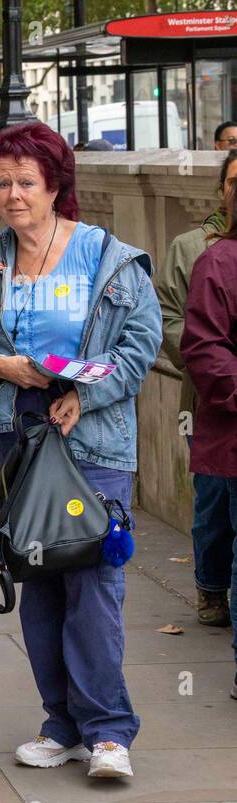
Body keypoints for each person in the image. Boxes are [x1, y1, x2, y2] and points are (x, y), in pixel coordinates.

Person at [0, 121, 161, 779]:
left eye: (26, 182)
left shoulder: (105, 258)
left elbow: (141, 344)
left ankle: (107, 733)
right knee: (37, 582)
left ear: (55, 185)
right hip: (21, 441)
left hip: (90, 438)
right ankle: (60, 725)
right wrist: (4, 369)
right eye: (3, 183)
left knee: (93, 581)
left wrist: (83, 395)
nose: (13, 195)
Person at [158, 152, 237, 628]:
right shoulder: (193, 247)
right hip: (205, 401)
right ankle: (211, 586)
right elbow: (167, 315)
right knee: (211, 502)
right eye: (232, 180)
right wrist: (204, 363)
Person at [179, 163, 237, 702]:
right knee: (214, 517)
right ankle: (211, 587)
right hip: (230, 433)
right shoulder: (215, 259)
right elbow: (200, 346)